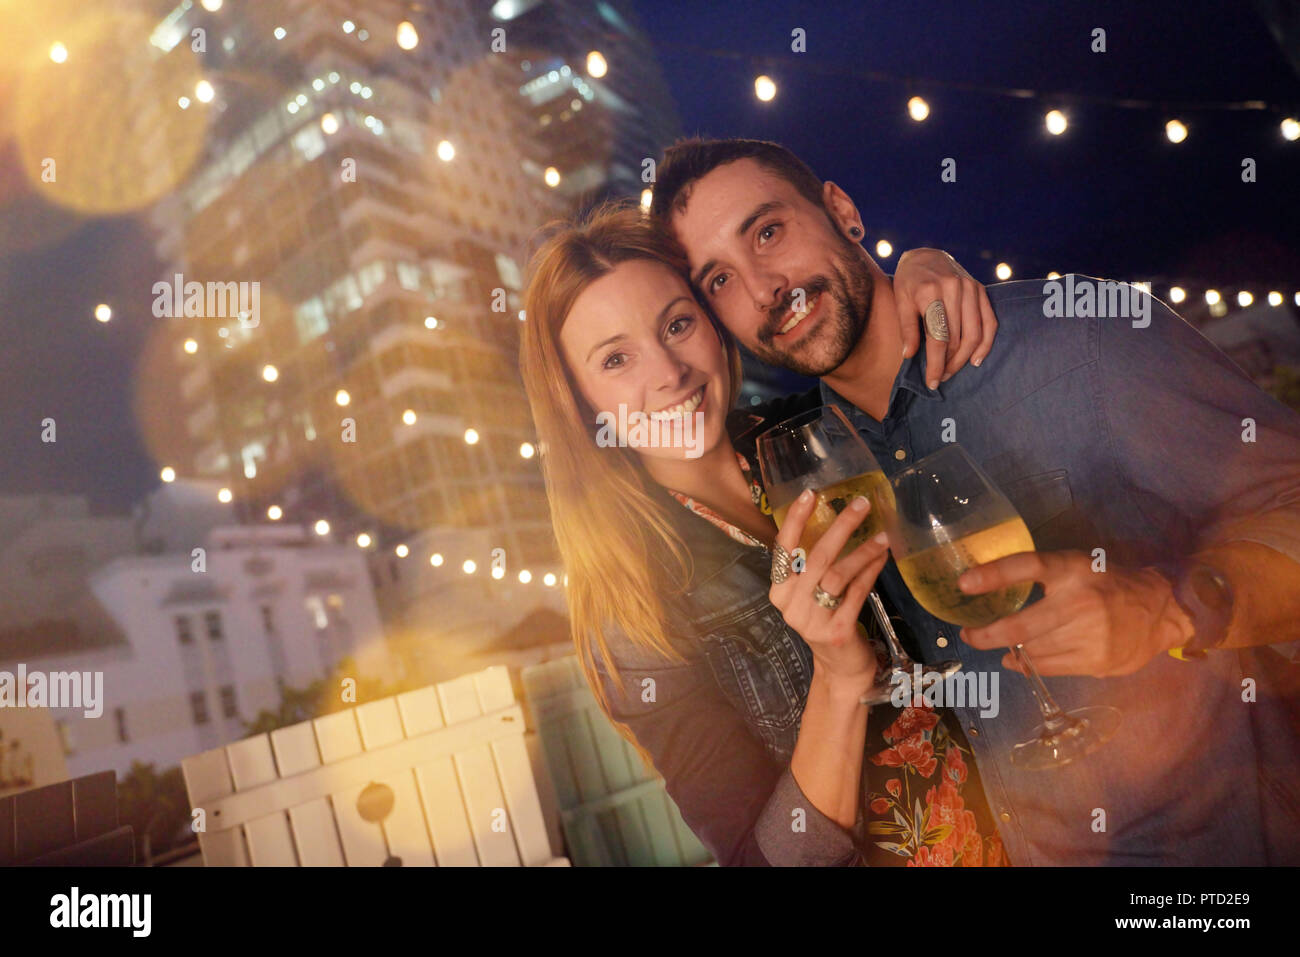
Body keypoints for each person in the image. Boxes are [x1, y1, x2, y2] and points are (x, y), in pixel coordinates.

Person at [648, 136, 1300, 865]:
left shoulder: (1078, 339)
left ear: (842, 210)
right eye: (720, 281)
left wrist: (1175, 603)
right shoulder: (816, 473)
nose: (765, 287)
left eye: (768, 232)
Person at [521, 201, 1009, 865]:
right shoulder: (631, 615)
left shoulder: (820, 431)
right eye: (615, 361)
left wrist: (924, 268)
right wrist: (838, 680)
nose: (667, 372)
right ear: (579, 403)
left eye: (678, 324)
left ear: (715, 327)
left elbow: (906, 358)